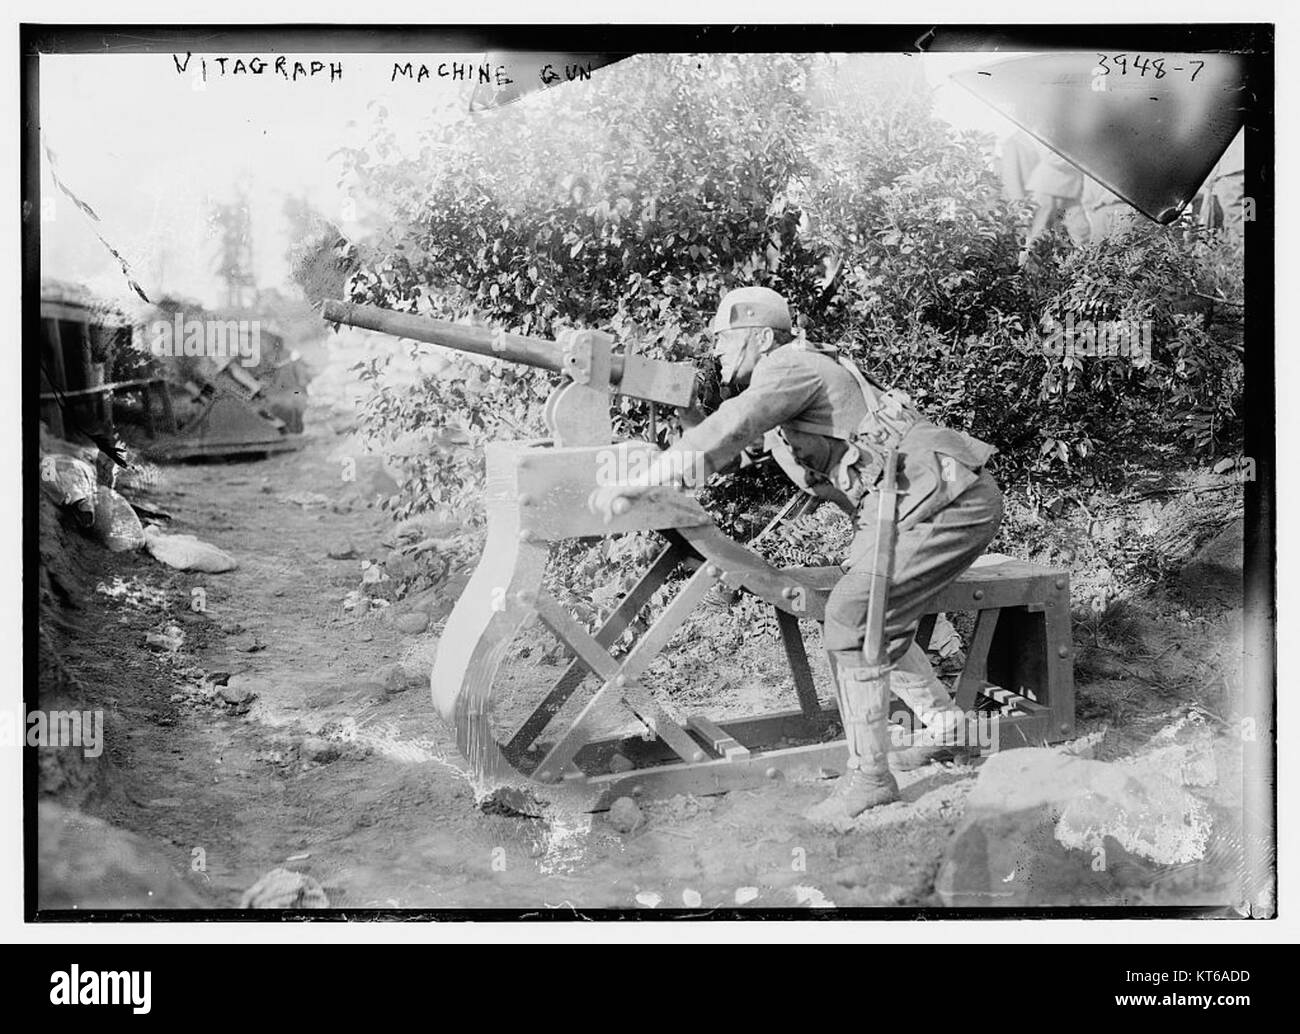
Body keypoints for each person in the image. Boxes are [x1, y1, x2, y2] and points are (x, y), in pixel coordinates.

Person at [590, 287, 1004, 822]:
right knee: (871, 611)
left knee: (854, 616)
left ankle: (871, 778)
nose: (715, 352)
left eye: (723, 340)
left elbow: (733, 426)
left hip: (946, 499)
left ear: (760, 337)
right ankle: (950, 731)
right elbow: (729, 452)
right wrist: (678, 436)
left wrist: (640, 481)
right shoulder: (789, 395)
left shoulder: (789, 366)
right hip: (918, 504)